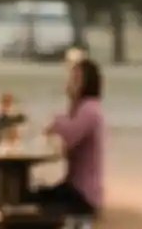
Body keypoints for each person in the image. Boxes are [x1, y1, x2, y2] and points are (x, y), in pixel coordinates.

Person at [35, 59, 105, 217]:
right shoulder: (82, 108)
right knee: (33, 195)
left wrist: (55, 122)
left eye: (76, 79)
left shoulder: (89, 110)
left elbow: (69, 138)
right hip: (74, 187)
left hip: (84, 195)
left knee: (34, 203)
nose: (70, 84)